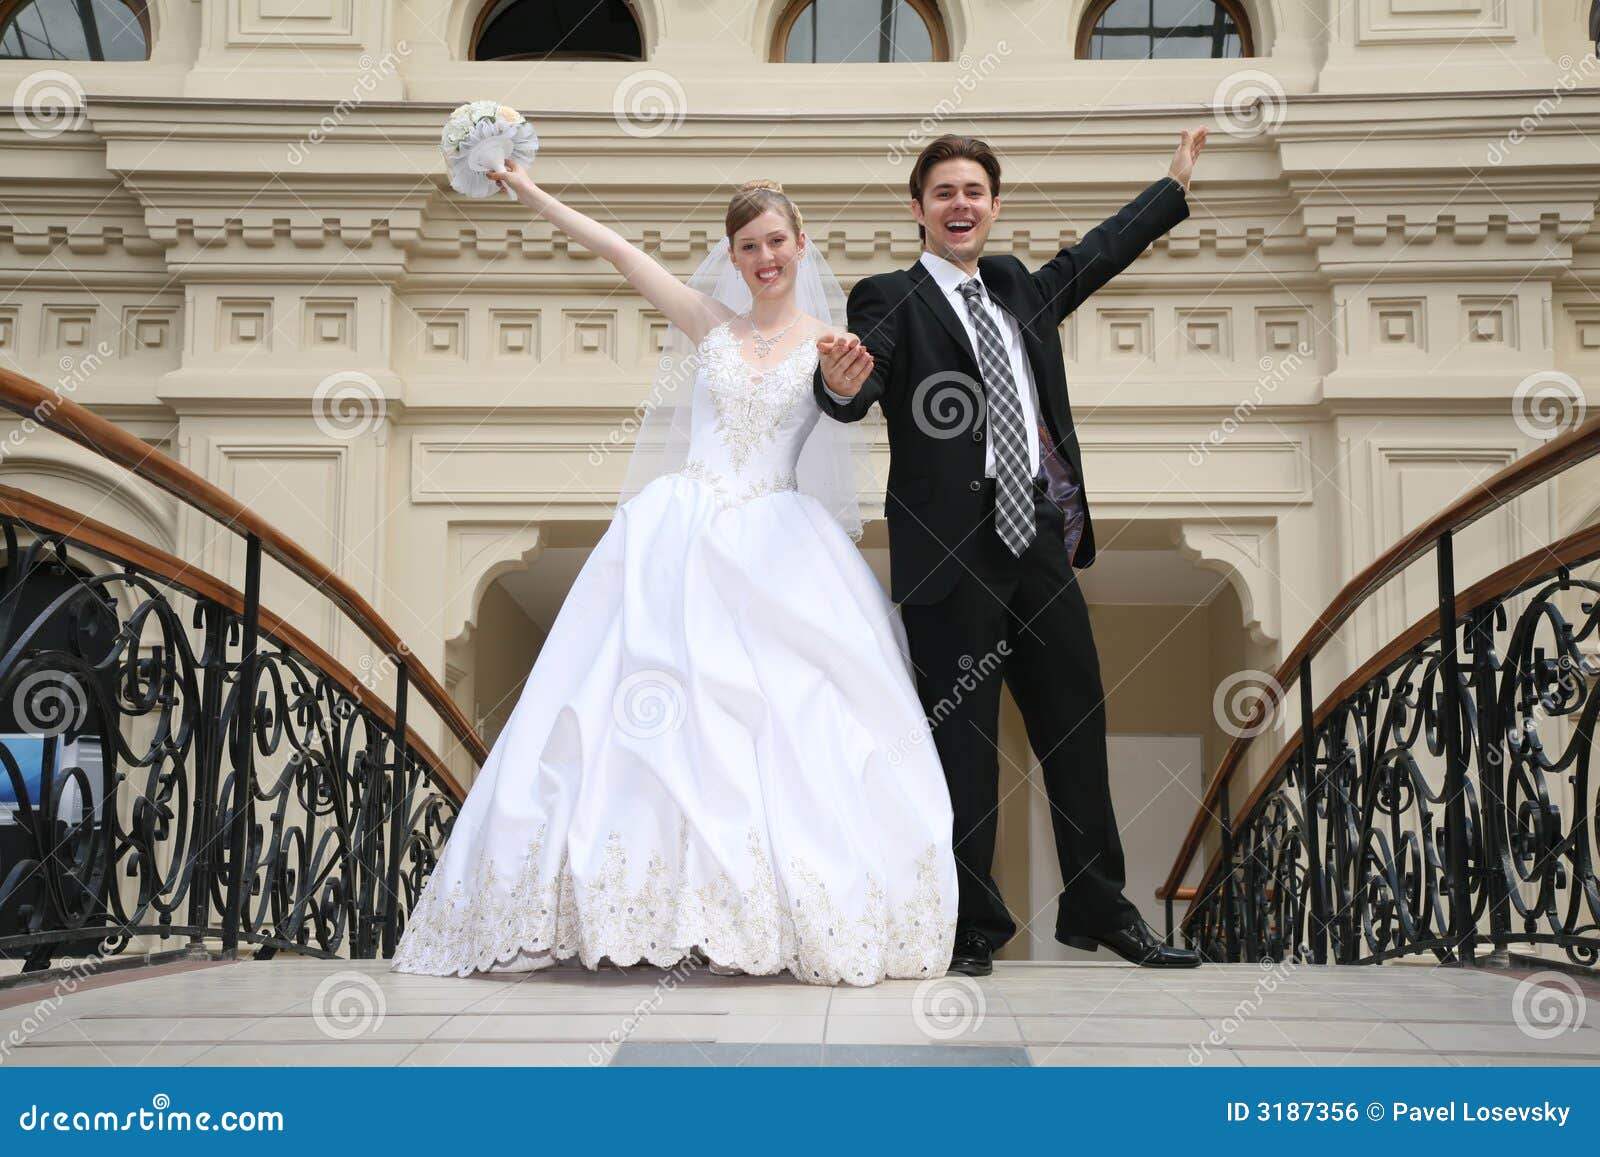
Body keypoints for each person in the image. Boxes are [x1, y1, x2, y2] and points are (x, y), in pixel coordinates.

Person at [389, 158, 958, 986]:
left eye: (775, 240)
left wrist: (845, 379)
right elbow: (620, 252)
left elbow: (857, 403)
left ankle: (761, 911)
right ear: (732, 257)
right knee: (642, 710)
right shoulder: (711, 326)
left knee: (782, 724)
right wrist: (529, 187)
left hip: (779, 542)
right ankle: (642, 907)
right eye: (747, 245)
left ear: (801, 245)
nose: (764, 256)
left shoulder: (834, 344)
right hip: (676, 533)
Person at [813, 130, 1209, 974]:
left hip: (1038, 535)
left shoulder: (1020, 289)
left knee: (1076, 719)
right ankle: (967, 926)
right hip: (952, 548)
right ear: (916, 210)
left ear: (994, 206)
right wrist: (839, 388)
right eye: (944, 192)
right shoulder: (889, 296)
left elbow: (1098, 254)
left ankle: (1100, 906)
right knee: (961, 741)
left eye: (975, 192)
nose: (961, 205)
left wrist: (1169, 187)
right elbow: (859, 383)